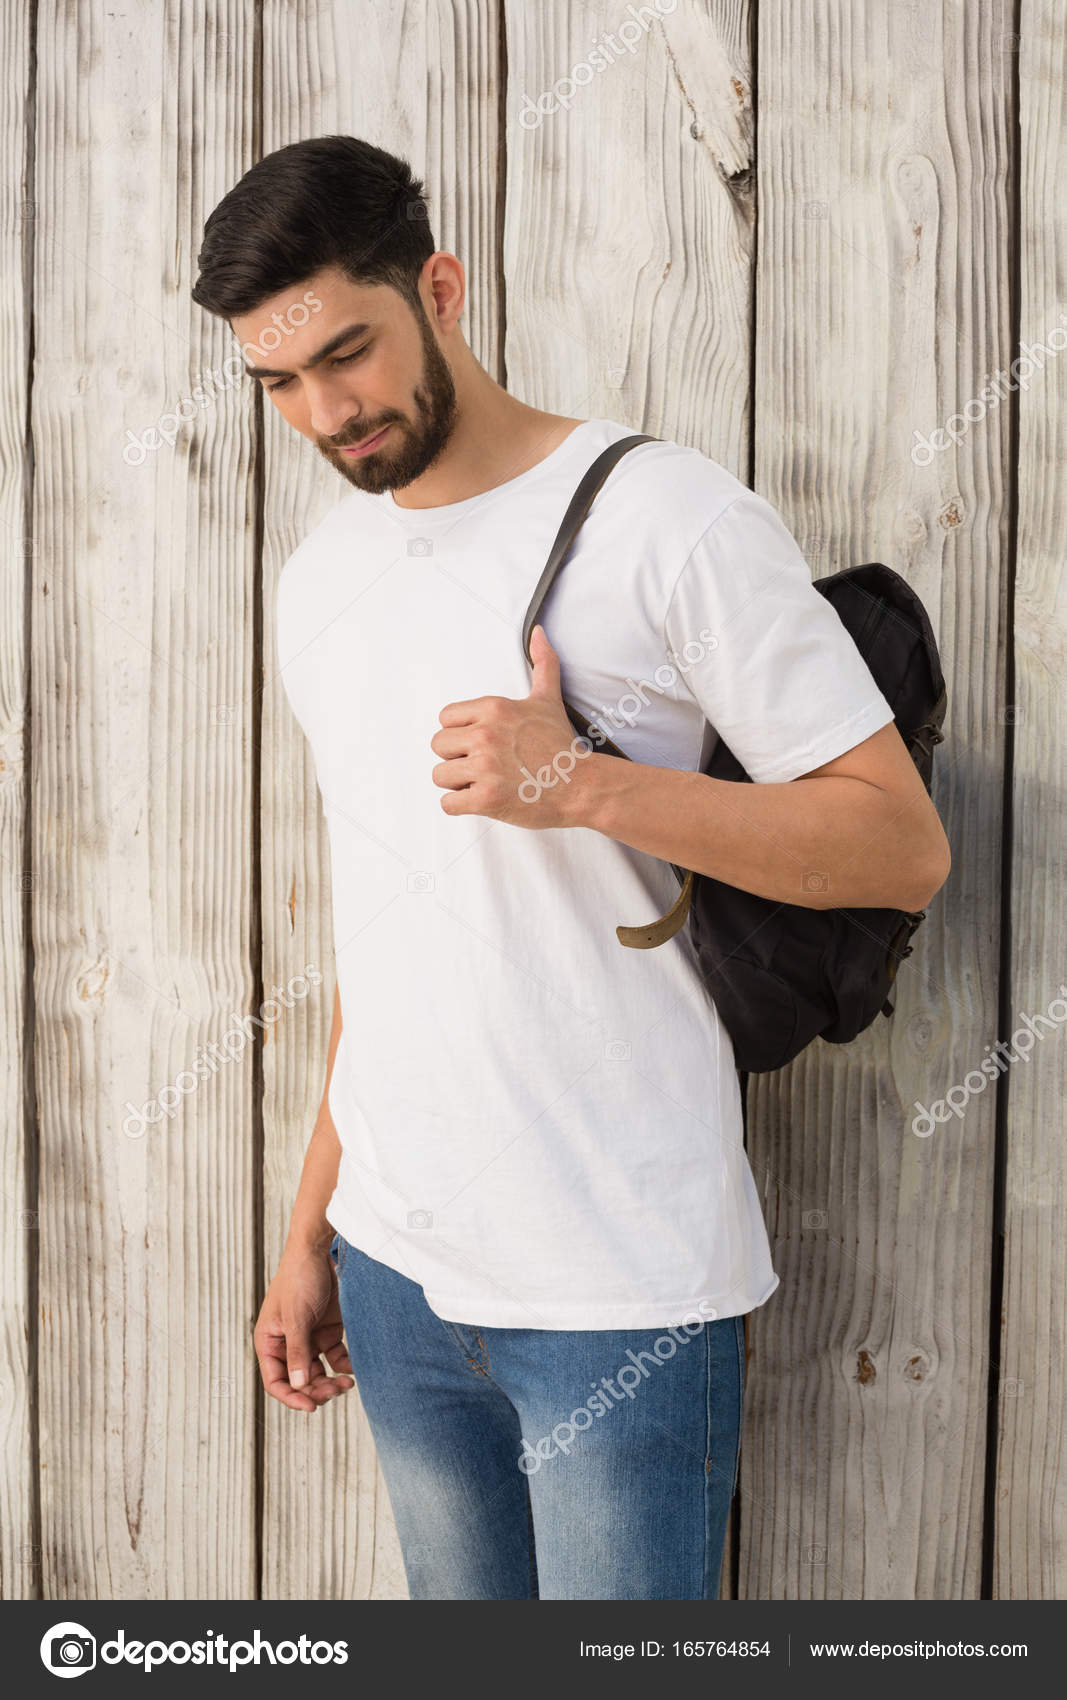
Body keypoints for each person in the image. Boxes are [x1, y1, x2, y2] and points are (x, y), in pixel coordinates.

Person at [192, 135, 950, 1601]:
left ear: (443, 286)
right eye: (278, 384)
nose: (326, 412)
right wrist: (311, 1235)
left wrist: (584, 784)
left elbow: (895, 844)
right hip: (398, 1265)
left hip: (618, 1282)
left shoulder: (669, 520)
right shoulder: (322, 583)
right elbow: (394, 936)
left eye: (347, 352)